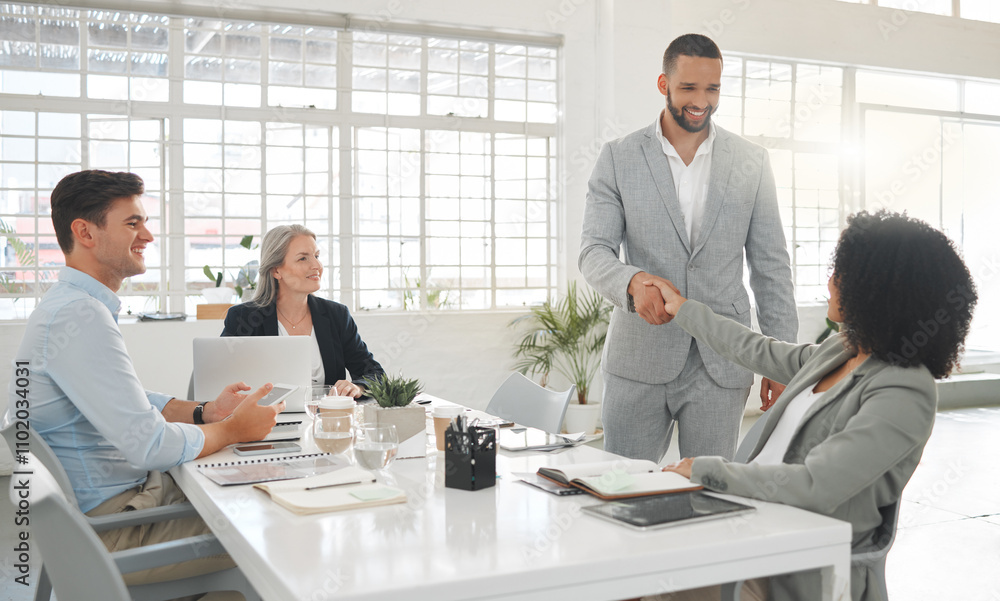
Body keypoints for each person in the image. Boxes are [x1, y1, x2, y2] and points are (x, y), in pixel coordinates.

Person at [641, 211, 976, 601]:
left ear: (880, 289)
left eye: (843, 272)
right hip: (742, 527)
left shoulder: (904, 389)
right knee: (620, 564)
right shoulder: (843, 349)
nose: (831, 282)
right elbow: (755, 348)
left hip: (789, 566)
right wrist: (683, 309)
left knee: (639, 584)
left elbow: (817, 486)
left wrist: (705, 470)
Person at [4, 170, 282, 586]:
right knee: (275, 527)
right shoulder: (79, 316)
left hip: (123, 504)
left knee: (247, 497)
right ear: (85, 232)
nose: (148, 236)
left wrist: (204, 413)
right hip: (117, 529)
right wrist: (231, 429)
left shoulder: (71, 306)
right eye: (133, 223)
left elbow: (126, 398)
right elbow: (150, 445)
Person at [579, 33, 797, 463]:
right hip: (639, 359)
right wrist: (633, 281)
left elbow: (771, 265)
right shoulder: (618, 157)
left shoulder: (752, 161)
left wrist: (782, 356)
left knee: (709, 496)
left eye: (712, 89)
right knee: (624, 492)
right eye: (689, 88)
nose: (702, 101)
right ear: (664, 85)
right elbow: (594, 250)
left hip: (723, 359)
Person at [222, 225, 384, 398]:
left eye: (316, 256)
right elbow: (222, 378)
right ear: (276, 270)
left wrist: (357, 387)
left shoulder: (337, 315)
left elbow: (374, 374)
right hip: (267, 421)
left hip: (325, 420)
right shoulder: (243, 318)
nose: (317, 265)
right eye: (303, 259)